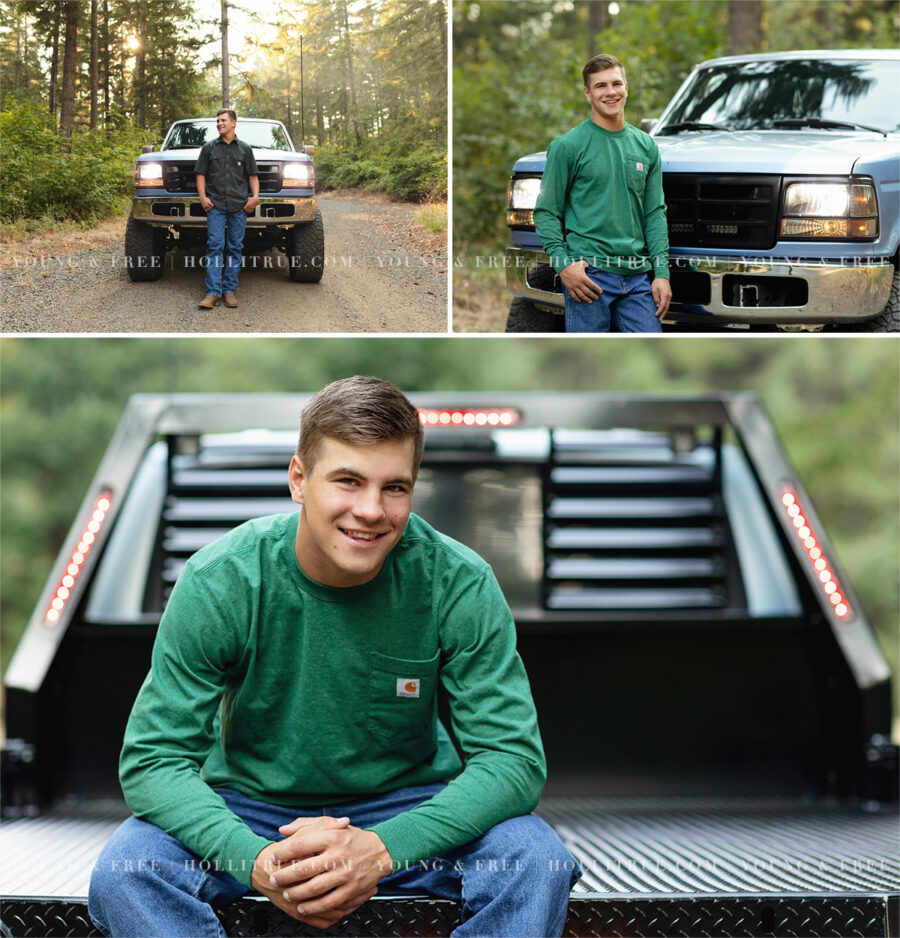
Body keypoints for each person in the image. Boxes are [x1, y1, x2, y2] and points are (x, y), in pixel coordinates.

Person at [88, 376, 580, 938]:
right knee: (127, 873)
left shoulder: (457, 582)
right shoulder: (221, 581)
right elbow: (153, 760)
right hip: (248, 809)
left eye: (395, 487)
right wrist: (251, 859)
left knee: (535, 860)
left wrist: (382, 849)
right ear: (299, 479)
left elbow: (513, 762)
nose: (371, 510)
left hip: (409, 811)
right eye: (347, 480)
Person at [533, 53, 671, 333]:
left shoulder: (646, 146)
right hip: (589, 276)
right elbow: (546, 212)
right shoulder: (567, 146)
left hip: (637, 277)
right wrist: (563, 266)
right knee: (589, 363)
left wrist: (662, 273)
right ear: (587, 93)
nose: (611, 92)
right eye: (600, 86)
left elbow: (654, 213)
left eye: (616, 84)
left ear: (626, 87)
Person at [194, 109, 260, 310]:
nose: (219, 123)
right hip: (216, 206)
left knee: (235, 247)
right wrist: (203, 197)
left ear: (234, 123)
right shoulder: (208, 148)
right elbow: (200, 174)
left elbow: (252, 176)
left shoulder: (245, 149)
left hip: (239, 206)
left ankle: (229, 290)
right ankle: (213, 293)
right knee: (215, 245)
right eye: (217, 121)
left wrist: (255, 197)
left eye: (223, 120)